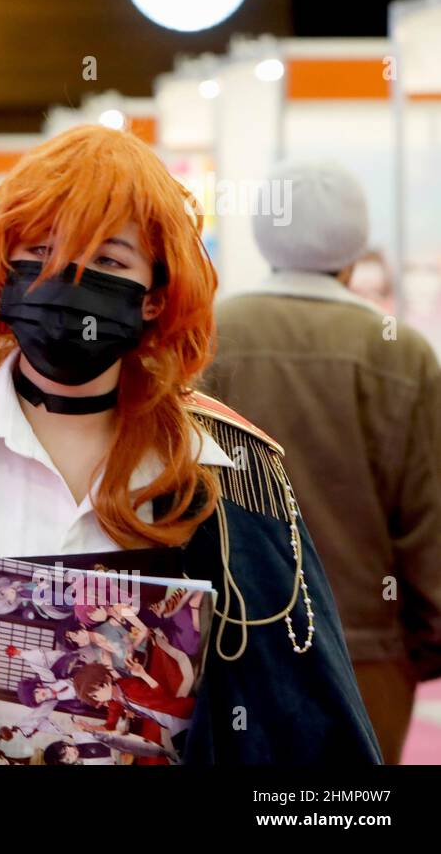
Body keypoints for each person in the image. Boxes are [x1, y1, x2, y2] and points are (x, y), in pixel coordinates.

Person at [0, 125, 380, 764]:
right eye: (42, 250)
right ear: (4, 272)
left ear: (154, 296)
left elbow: (312, 740)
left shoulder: (237, 480)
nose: (71, 282)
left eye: (110, 262)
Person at [200, 159, 441, 764]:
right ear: (357, 245)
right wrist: (428, 639)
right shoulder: (399, 352)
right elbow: (428, 519)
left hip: (227, 639)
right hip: (368, 652)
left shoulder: (208, 337)